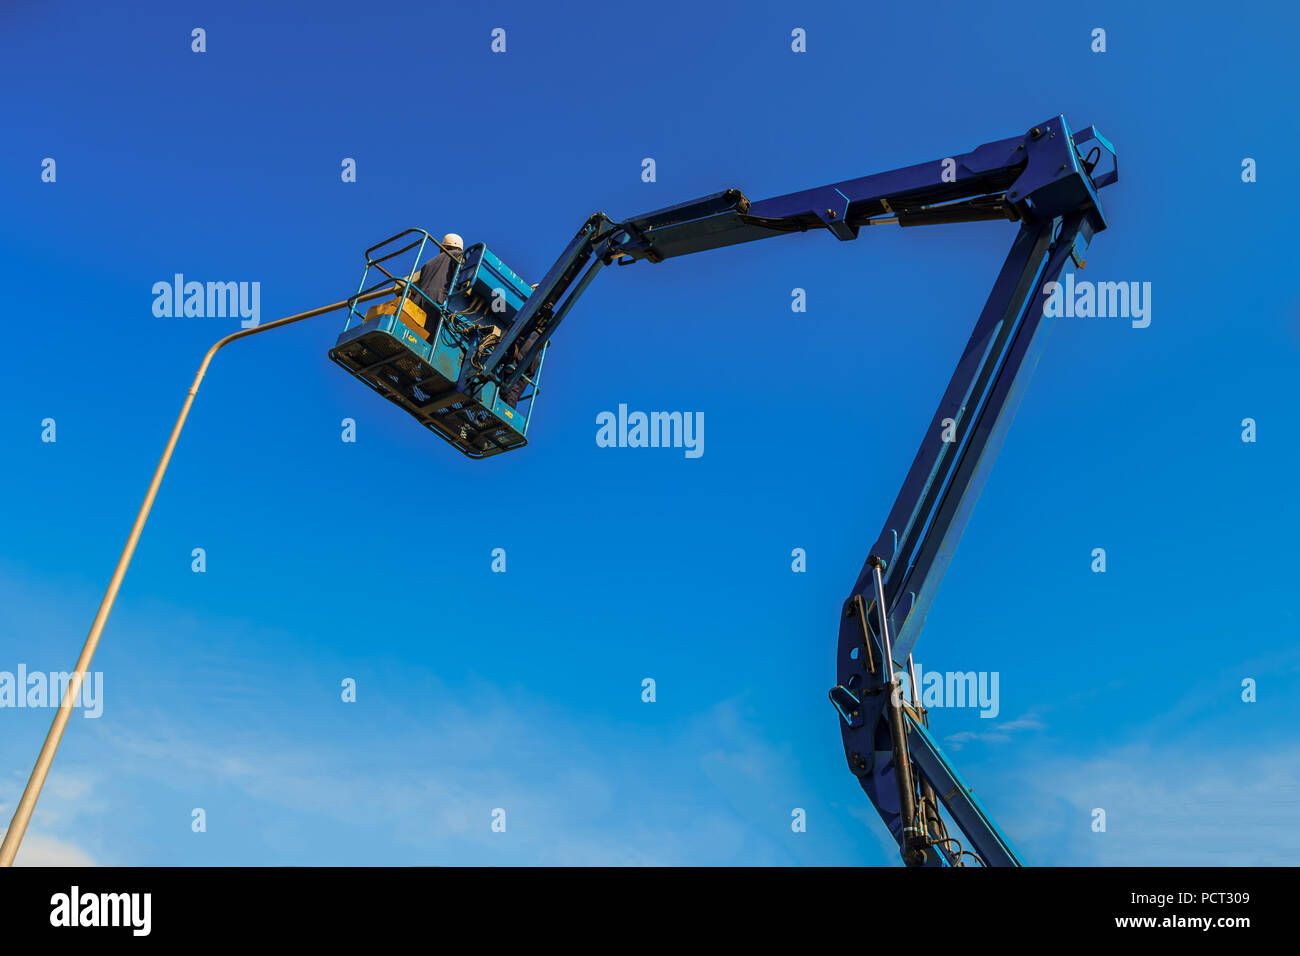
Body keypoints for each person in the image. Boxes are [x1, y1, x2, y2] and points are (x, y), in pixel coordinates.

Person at [406, 233, 464, 310]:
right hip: (437, 300)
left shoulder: (427, 264)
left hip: (418, 302)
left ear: (442, 247)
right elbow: (462, 277)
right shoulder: (458, 256)